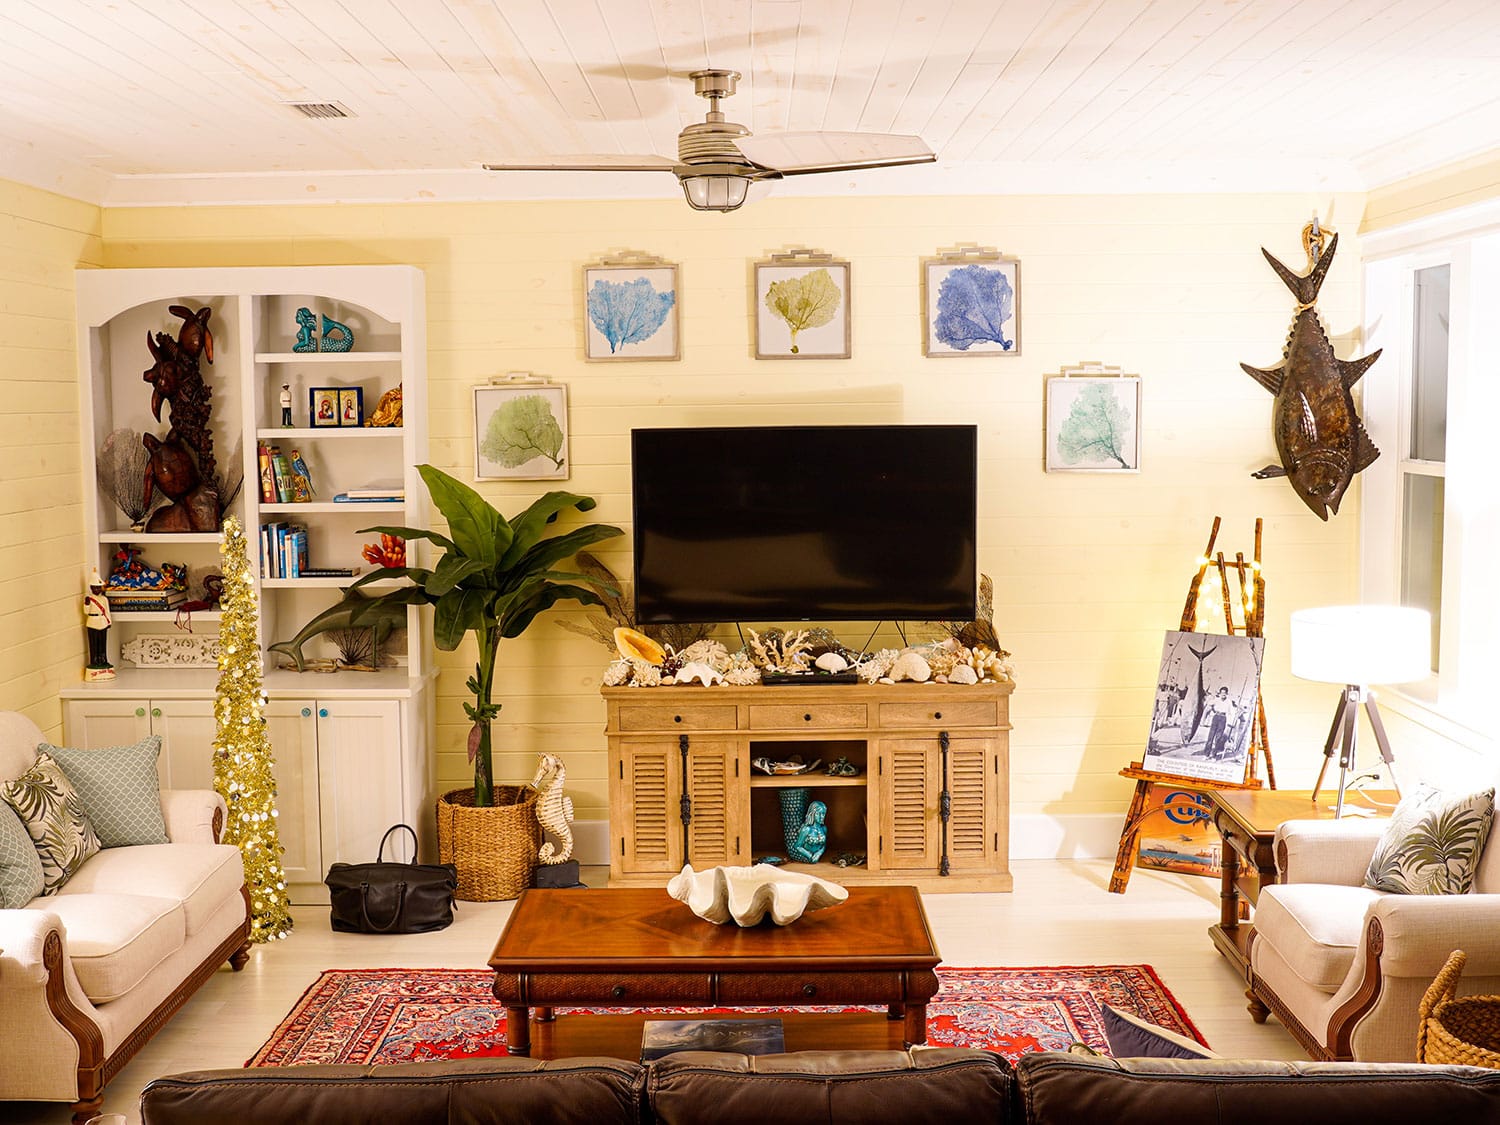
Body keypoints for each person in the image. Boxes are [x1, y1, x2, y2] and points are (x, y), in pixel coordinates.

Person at [83, 569, 114, 679]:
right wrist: (86, 604)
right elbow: (86, 612)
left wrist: (109, 621)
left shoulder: (104, 599)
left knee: (102, 642)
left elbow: (107, 611)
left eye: (98, 587)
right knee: (93, 643)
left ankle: (103, 659)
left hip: (102, 622)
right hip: (92, 622)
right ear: (91, 588)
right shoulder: (89, 599)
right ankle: (94, 660)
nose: (97, 589)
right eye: (95, 587)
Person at [1205, 686, 1234, 759]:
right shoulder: (1216, 699)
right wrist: (1213, 708)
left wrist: (1230, 723)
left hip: (1223, 719)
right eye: (1222, 693)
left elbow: (1231, 712)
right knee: (1210, 737)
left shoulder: (1229, 702)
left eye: (1224, 693)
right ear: (1220, 693)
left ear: (1227, 694)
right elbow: (1208, 703)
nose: (1223, 694)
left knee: (1218, 738)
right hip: (1216, 717)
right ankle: (1207, 754)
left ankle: (1214, 755)